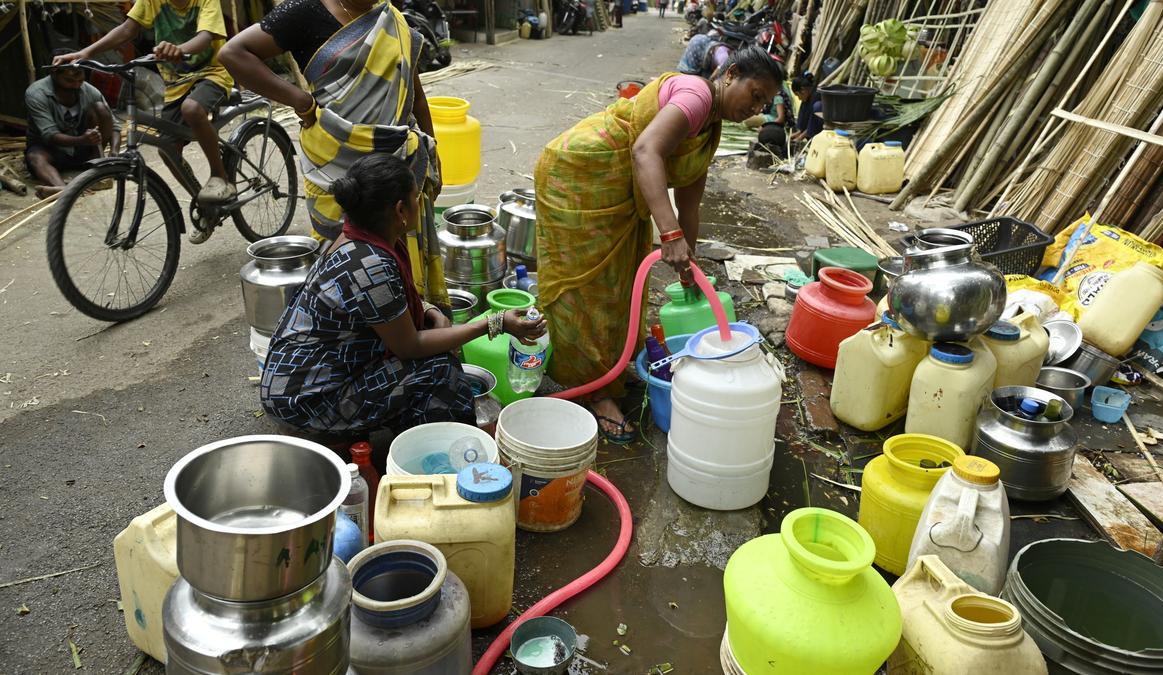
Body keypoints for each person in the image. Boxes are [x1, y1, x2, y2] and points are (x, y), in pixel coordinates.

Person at [535, 46, 781, 441]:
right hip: (579, 179)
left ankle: (609, 370)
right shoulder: (696, 96)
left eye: (764, 104)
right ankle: (593, 392)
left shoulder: (709, 127)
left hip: (616, 193)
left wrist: (688, 265)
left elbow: (689, 204)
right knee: (587, 292)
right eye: (755, 95)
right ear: (731, 73)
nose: (755, 108)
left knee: (618, 286)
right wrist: (668, 235)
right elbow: (645, 150)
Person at [260, 154, 546, 434]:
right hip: (306, 401)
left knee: (434, 354)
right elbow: (410, 347)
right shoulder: (370, 263)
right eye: (415, 197)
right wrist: (495, 323)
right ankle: (442, 451)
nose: (418, 203)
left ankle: (406, 434)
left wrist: (431, 310)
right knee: (440, 371)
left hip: (294, 382)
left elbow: (384, 303)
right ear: (400, 210)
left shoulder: (353, 238)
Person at [219, 0, 439, 247]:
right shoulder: (306, 10)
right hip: (333, 162)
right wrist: (300, 100)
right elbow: (233, 54)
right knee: (340, 253)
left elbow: (417, 97)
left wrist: (434, 155)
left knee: (402, 250)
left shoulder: (391, 19)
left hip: (395, 161)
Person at [54, 0, 236, 242]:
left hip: (212, 74)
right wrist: (85, 53)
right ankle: (207, 206)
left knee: (192, 109)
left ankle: (220, 177)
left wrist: (178, 48)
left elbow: (205, 37)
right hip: (176, 83)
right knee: (167, 150)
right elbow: (128, 28)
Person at [24, 50, 117, 198]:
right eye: (69, 80)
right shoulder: (36, 93)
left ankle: (96, 165)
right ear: (54, 73)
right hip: (52, 150)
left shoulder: (88, 90)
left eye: (80, 80)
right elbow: (50, 135)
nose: (76, 85)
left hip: (84, 152)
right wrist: (82, 140)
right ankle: (64, 190)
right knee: (35, 157)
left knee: (100, 109)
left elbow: (114, 125)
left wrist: (114, 152)